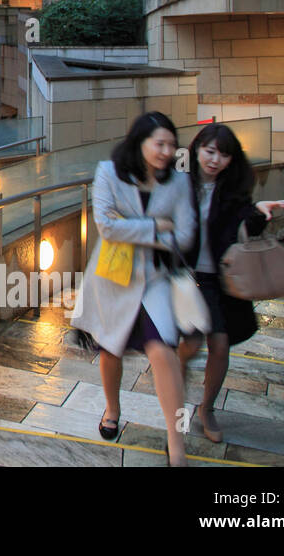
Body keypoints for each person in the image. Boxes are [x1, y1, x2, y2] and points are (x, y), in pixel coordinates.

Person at [71, 112, 197, 466]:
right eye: (160, 143)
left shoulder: (179, 183)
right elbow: (107, 227)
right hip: (113, 277)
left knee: (163, 353)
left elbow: (186, 236)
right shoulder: (108, 172)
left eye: (171, 144)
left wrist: (136, 228)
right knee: (111, 350)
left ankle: (176, 445)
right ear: (139, 141)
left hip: (156, 280)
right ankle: (112, 407)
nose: (166, 151)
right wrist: (158, 226)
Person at [177, 123, 284, 443]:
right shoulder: (179, 183)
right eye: (210, 151)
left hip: (218, 281)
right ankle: (174, 397)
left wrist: (260, 210)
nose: (215, 160)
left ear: (232, 159)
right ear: (197, 149)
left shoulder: (231, 190)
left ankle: (207, 408)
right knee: (187, 347)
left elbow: (245, 218)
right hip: (184, 278)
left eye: (224, 155)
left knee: (219, 345)